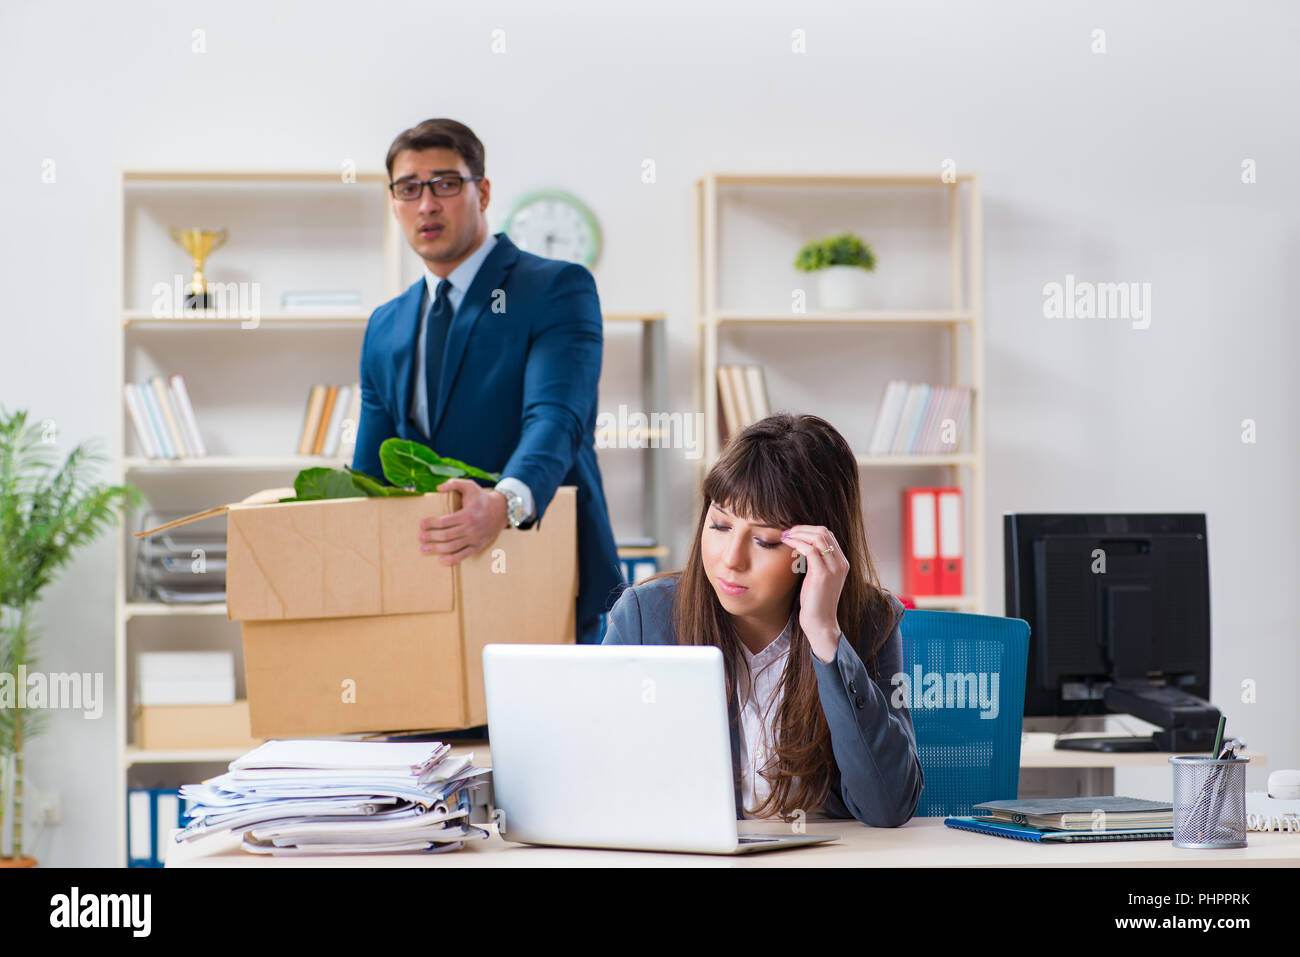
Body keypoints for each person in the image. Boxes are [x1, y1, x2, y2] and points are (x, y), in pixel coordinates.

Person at [353, 118, 623, 649]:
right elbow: (370, 468)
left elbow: (556, 419)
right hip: (428, 588)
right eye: (409, 189)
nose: (427, 204)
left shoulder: (555, 288)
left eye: (445, 184)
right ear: (394, 202)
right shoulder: (385, 324)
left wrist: (503, 505)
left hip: (542, 567)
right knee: (425, 736)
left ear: (483, 191)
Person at [602, 412, 924, 825]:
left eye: (765, 540)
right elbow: (598, 775)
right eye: (719, 525)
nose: (730, 559)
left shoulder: (870, 621)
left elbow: (888, 807)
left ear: (817, 548)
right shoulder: (646, 617)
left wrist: (825, 636)